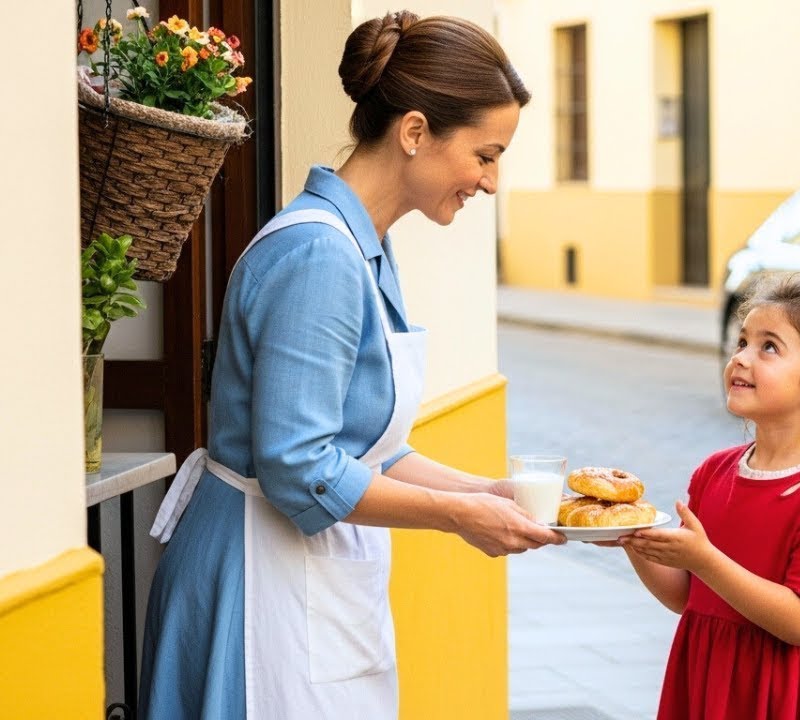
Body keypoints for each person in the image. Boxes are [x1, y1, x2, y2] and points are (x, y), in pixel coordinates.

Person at [138, 12, 563, 719]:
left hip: (302, 584)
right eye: (485, 155)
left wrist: (488, 491)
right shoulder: (319, 256)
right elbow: (300, 466)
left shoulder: (364, 246)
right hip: (257, 587)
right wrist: (459, 517)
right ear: (416, 132)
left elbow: (371, 450)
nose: (490, 181)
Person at [617, 273, 800, 720]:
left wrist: (704, 558)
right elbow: (688, 597)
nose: (741, 358)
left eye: (768, 347)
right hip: (710, 680)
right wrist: (630, 534)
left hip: (786, 694)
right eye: (742, 342)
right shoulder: (714, 472)